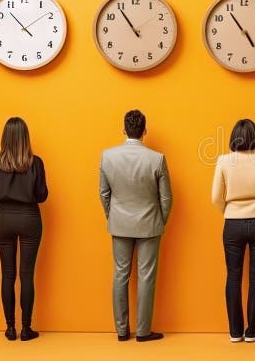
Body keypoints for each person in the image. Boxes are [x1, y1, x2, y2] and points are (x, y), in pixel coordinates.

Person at [99, 110, 172, 342]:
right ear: (145, 131)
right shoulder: (157, 158)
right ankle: (142, 331)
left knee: (120, 275)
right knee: (146, 277)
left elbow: (104, 193)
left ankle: (121, 331)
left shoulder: (108, 157)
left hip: (119, 223)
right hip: (149, 223)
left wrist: (113, 216)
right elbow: (166, 198)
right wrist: (160, 220)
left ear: (124, 130)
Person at [212, 119, 255, 343]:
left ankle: (235, 332)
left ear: (233, 137)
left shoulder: (223, 160)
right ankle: (251, 332)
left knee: (233, 276)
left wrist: (230, 211)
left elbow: (215, 198)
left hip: (232, 222)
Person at [0, 117, 48, 341]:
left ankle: (10, 328)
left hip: (4, 218)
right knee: (26, 275)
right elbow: (42, 196)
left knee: (7, 274)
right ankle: (26, 329)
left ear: (5, 137)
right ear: (26, 138)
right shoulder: (36, 163)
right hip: (29, 218)